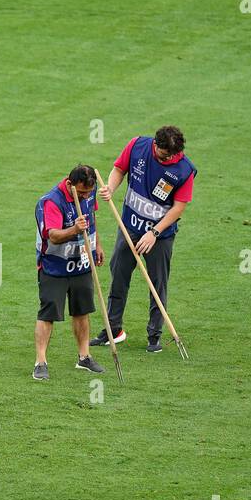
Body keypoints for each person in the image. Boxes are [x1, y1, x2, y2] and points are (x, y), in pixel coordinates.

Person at [91, 126, 196, 352]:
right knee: (118, 276)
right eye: (165, 154)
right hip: (129, 227)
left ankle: (154, 336)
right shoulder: (137, 146)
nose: (169, 158)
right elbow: (119, 169)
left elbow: (178, 208)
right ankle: (114, 330)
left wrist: (154, 233)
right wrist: (110, 187)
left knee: (158, 284)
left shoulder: (184, 170)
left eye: (173, 155)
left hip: (159, 236)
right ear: (155, 145)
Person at [34, 165, 105, 380]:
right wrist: (75, 229)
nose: (85, 196)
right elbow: (53, 236)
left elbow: (92, 221)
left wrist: (97, 245)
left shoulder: (89, 195)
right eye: (82, 192)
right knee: (48, 313)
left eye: (88, 192)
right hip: (54, 267)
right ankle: (40, 362)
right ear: (70, 184)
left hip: (82, 264)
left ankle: (84, 357)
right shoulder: (51, 202)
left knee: (82, 311)